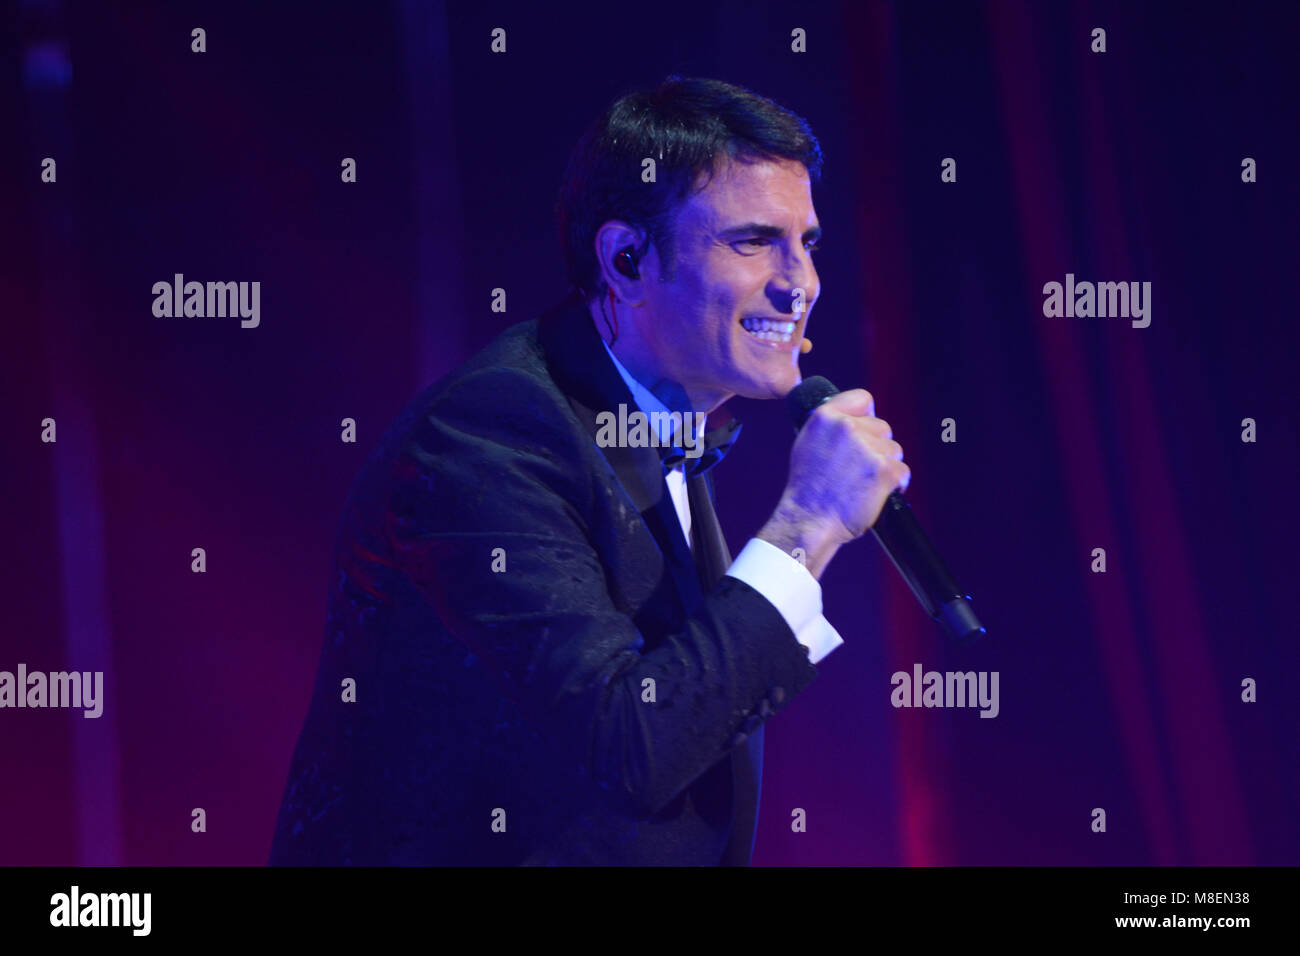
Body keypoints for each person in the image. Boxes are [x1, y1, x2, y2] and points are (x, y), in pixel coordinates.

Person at [268, 75, 909, 866]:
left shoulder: (658, 419)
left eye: (806, 242)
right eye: (752, 240)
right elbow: (630, 744)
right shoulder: (491, 435)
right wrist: (808, 522)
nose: (799, 282)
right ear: (628, 260)